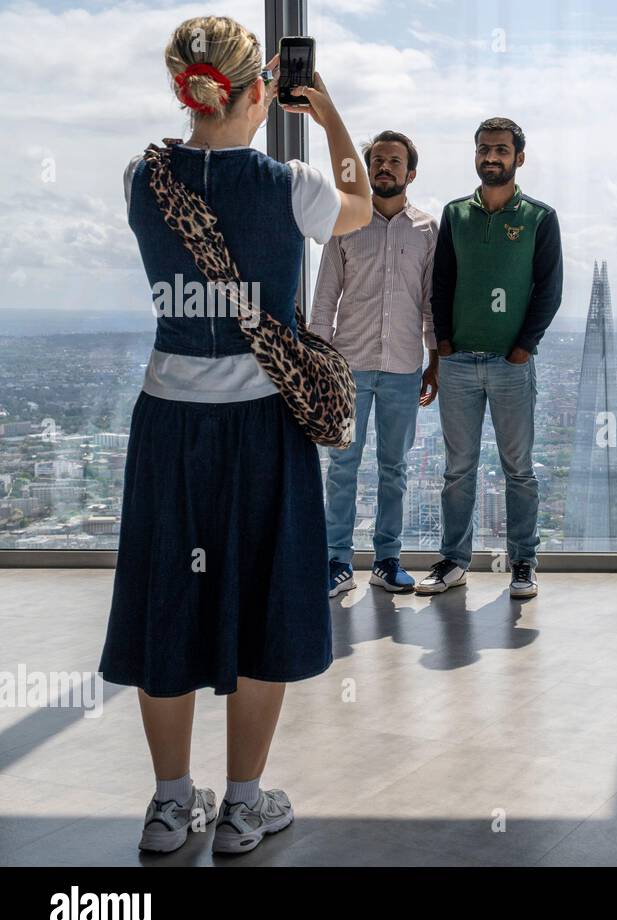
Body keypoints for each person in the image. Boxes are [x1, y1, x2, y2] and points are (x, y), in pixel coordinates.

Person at [99, 15, 370, 854]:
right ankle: (244, 806)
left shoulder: (140, 180)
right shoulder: (290, 183)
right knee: (264, 601)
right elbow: (362, 205)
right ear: (261, 92)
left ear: (186, 91)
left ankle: (172, 805)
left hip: (168, 427)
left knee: (164, 603)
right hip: (262, 426)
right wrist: (327, 118)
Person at [415, 117, 563, 600]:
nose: (490, 157)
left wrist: (522, 350)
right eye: (483, 149)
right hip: (457, 365)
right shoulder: (455, 214)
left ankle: (523, 562)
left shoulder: (540, 217)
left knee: (518, 468)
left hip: (510, 365)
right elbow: (440, 286)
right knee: (458, 469)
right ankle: (454, 561)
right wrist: (444, 349)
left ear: (519, 157)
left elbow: (550, 291)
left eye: (501, 149)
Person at [310, 130, 438, 597]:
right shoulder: (345, 224)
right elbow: (325, 299)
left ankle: (387, 560)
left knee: (395, 468)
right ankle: (336, 562)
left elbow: (429, 304)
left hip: (404, 368)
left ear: (411, 173)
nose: (384, 168)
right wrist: (321, 363)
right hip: (348, 368)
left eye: (394, 161)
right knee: (342, 468)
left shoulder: (427, 229)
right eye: (377, 161)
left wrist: (434, 359)